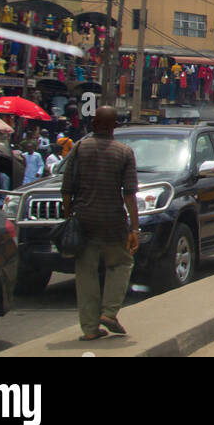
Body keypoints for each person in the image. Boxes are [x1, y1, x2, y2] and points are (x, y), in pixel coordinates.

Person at [60, 106, 138, 342]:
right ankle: (109, 312)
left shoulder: (80, 148)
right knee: (122, 263)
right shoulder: (124, 152)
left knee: (86, 274)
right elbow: (129, 194)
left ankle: (90, 329)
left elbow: (66, 189)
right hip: (113, 221)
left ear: (94, 125)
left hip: (84, 221)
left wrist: (68, 218)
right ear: (115, 126)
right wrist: (134, 227)